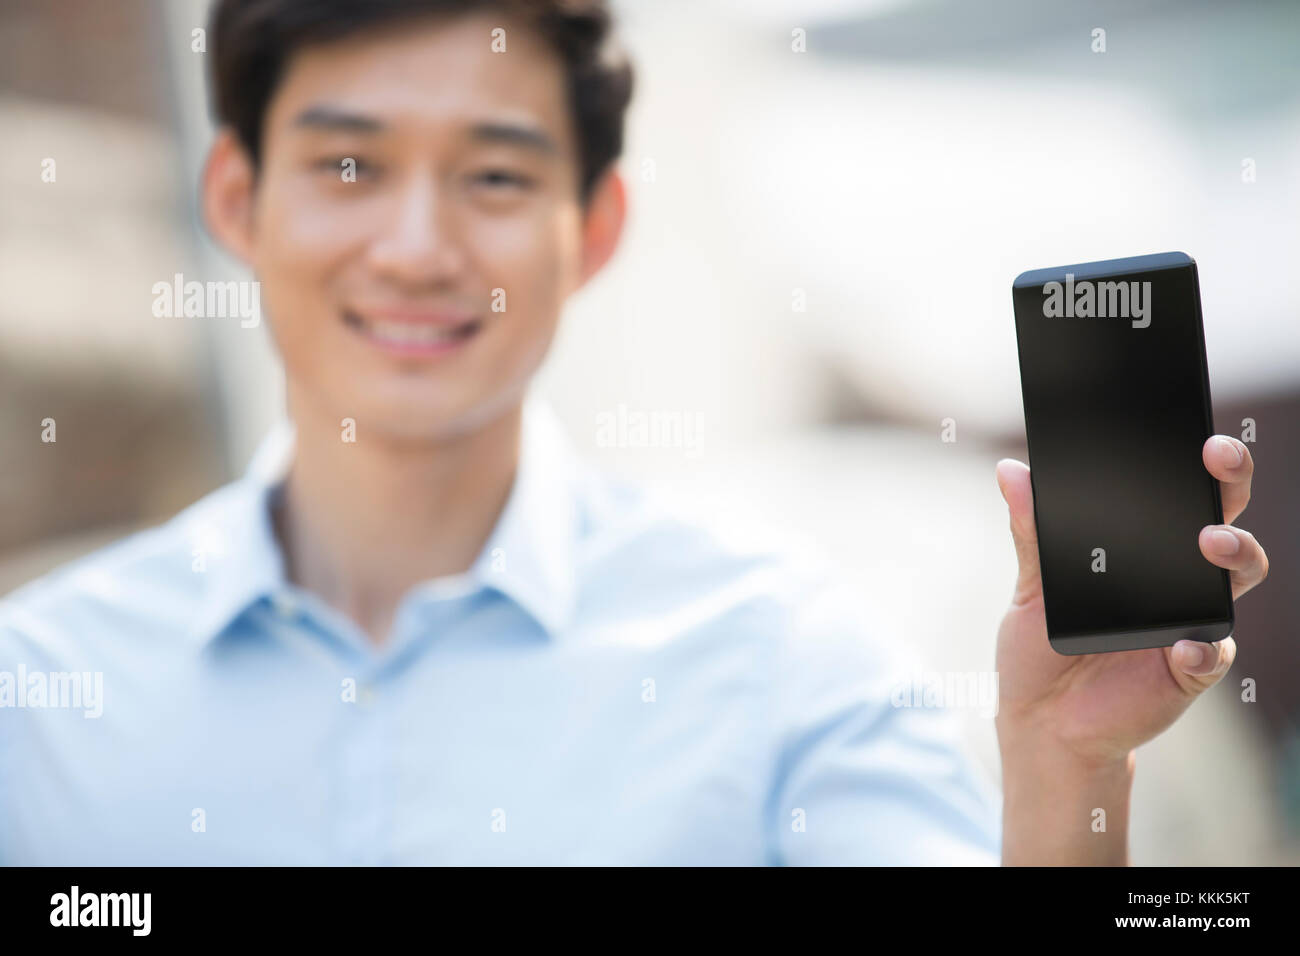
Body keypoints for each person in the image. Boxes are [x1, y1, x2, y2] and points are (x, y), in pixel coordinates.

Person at [0, 0, 1268, 865]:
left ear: (595, 226)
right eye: (347, 167)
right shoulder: (41, 699)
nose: (418, 248)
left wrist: (1065, 774)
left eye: (494, 175)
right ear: (236, 196)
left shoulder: (782, 655)